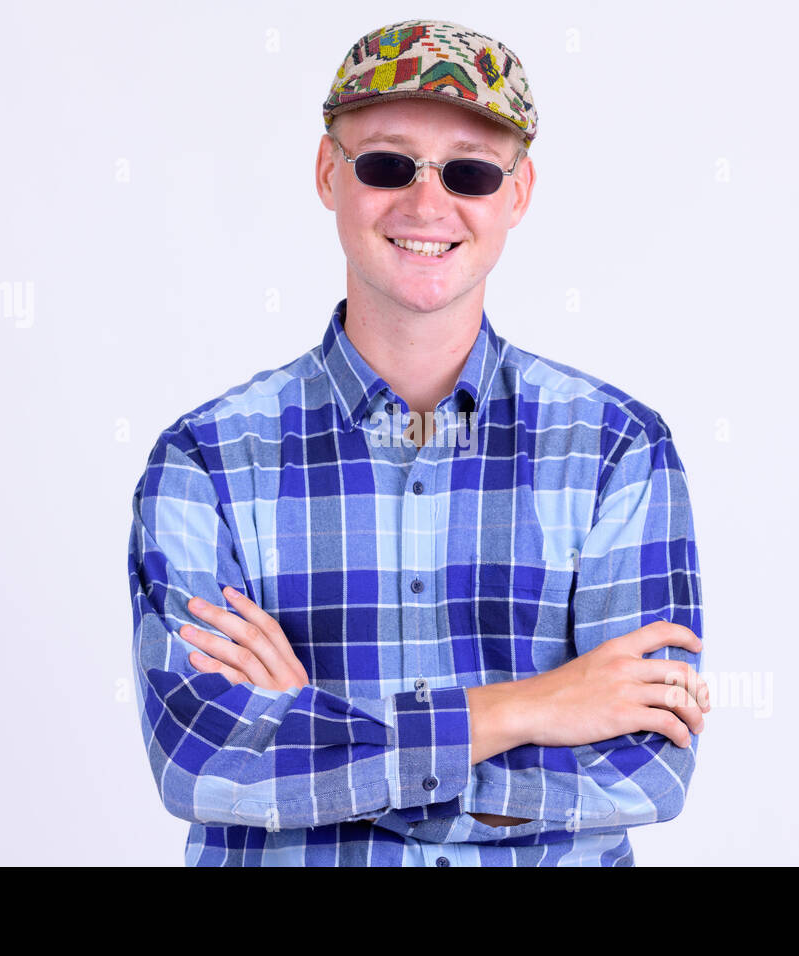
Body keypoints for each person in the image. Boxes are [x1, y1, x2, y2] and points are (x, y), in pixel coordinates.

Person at [127, 18, 710, 866]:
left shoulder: (620, 450)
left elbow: (647, 770)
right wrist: (529, 708)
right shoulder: (206, 463)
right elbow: (202, 758)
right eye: (387, 164)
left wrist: (323, 741)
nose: (427, 204)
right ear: (331, 173)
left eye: (469, 172)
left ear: (518, 193)